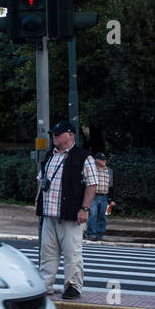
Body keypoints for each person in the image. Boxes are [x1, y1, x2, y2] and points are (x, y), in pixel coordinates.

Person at [36, 121, 97, 299]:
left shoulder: (83, 157)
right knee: (47, 253)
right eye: (53, 133)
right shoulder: (49, 156)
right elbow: (42, 181)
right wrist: (38, 201)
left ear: (71, 136)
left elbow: (92, 184)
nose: (54, 136)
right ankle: (45, 285)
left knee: (72, 254)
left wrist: (85, 209)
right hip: (49, 214)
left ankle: (73, 286)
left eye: (59, 133)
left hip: (71, 215)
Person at [88, 152, 115, 242]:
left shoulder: (109, 170)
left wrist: (112, 199)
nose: (104, 161)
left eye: (105, 159)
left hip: (105, 197)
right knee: (93, 214)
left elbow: (112, 186)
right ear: (96, 160)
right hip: (93, 196)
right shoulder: (92, 169)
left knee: (104, 216)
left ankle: (100, 234)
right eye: (102, 159)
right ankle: (91, 234)